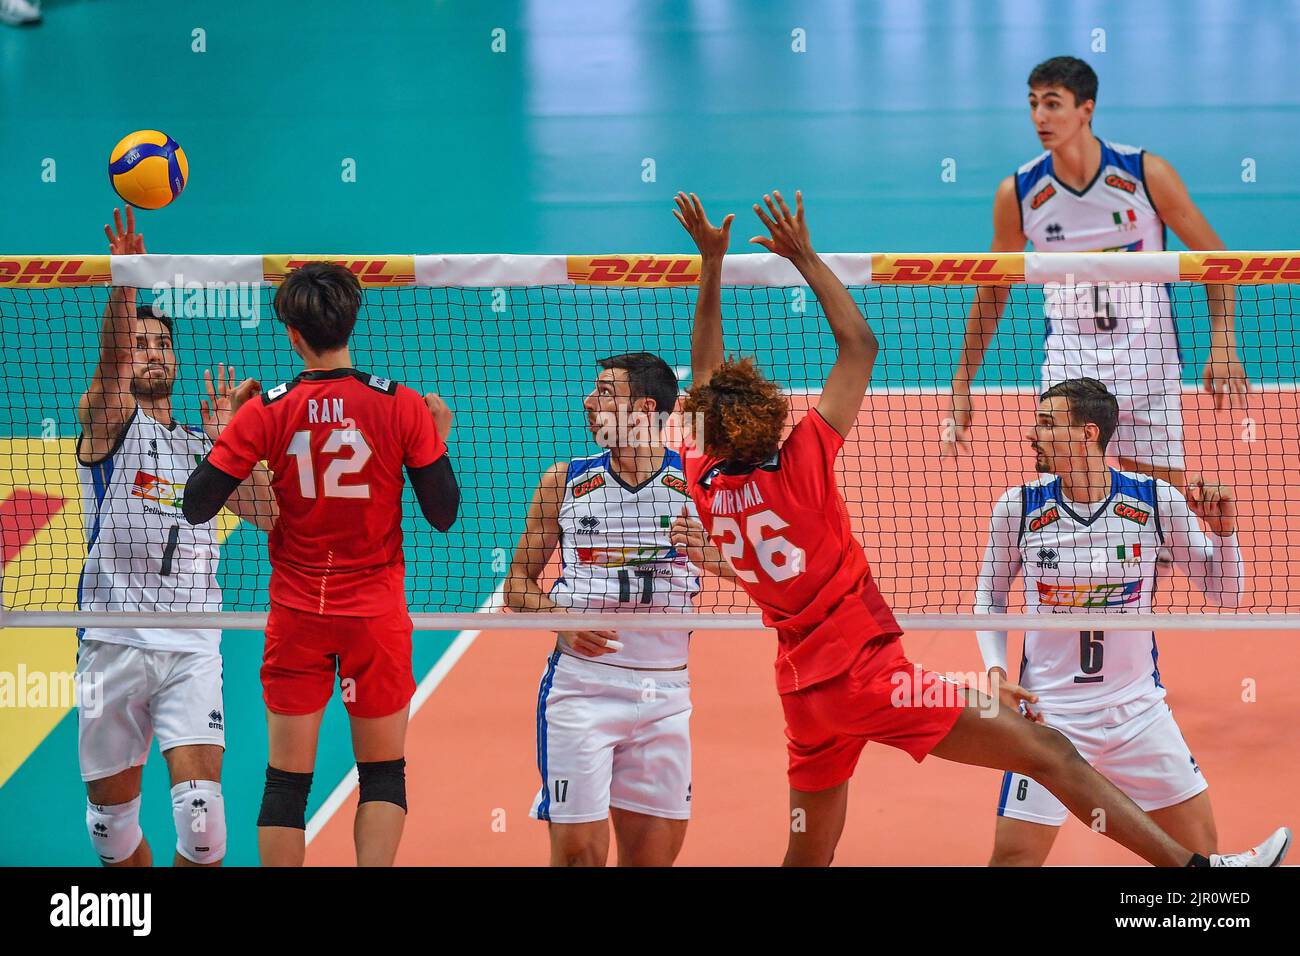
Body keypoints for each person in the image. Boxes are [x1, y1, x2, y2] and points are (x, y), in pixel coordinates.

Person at [674, 188, 1288, 867]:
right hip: (870, 680)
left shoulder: (704, 480)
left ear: (706, 427)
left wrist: (710, 265)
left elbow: (704, 371)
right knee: (1049, 749)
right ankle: (1199, 876)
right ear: (767, 420)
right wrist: (804, 258)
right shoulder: (801, 467)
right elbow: (858, 344)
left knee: (806, 858)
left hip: (801, 693)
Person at [183, 262, 459, 866]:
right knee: (383, 773)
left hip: (298, 614)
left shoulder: (265, 413)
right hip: (376, 615)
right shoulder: (403, 405)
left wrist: (231, 432)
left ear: (292, 333)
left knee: (286, 782)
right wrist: (435, 440)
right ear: (353, 321)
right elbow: (443, 514)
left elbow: (197, 504)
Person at [942, 55, 1250, 493]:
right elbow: (993, 290)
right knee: (1064, 506)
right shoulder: (1021, 192)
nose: (1039, 117)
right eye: (1033, 104)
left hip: (1149, 361)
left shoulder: (1144, 173)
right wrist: (961, 382)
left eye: (1053, 104)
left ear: (1086, 108)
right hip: (1072, 362)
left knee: (1159, 510)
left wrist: (1223, 340)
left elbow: (1214, 258)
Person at [75, 207, 275, 866]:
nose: (150, 351)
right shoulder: (107, 428)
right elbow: (109, 366)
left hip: (192, 642)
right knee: (109, 831)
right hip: (111, 639)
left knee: (202, 825)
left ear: (176, 360)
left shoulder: (204, 448)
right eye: (140, 342)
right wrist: (127, 281)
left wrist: (233, 445)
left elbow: (272, 517)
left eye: (161, 343)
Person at [975, 377, 1243, 865]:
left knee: (1200, 855)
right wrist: (995, 672)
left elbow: (1224, 592)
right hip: (1049, 715)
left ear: (1087, 434)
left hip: (1137, 712)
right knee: (1013, 860)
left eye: (1046, 423)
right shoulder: (1017, 508)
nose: (1031, 433)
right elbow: (989, 597)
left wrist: (1224, 534)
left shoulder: (1156, 501)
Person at [505, 352, 733, 866]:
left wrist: (713, 559)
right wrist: (561, 620)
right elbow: (515, 585)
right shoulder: (563, 482)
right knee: (580, 857)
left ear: (644, 408)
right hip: (582, 691)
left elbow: (767, 577)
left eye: (605, 392)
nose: (588, 402)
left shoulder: (700, 486)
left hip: (666, 696)